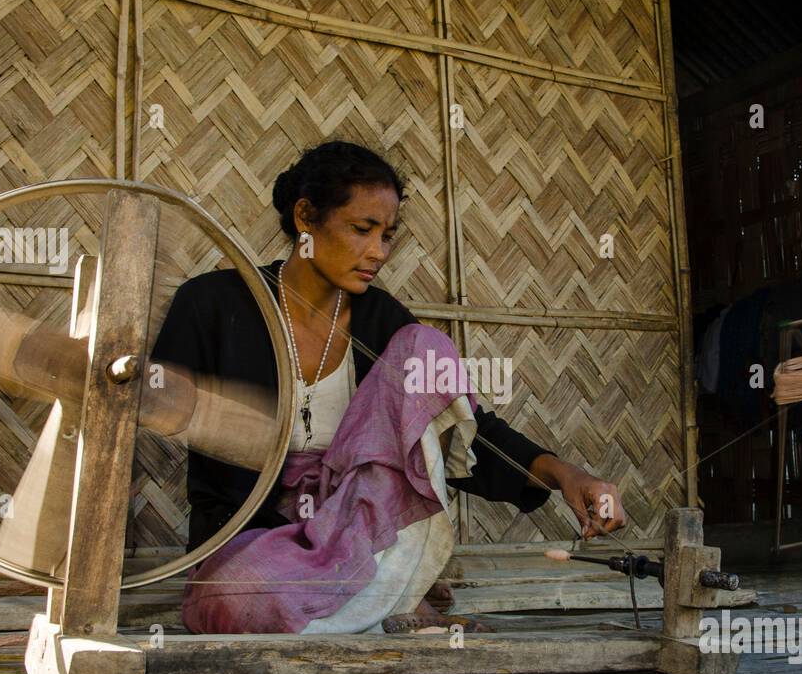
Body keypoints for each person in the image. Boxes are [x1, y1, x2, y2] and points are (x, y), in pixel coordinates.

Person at [151, 141, 627, 635]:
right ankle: (383, 603)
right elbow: (162, 404)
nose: (378, 251)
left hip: (361, 538)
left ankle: (378, 593)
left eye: (388, 235)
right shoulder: (213, 303)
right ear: (305, 218)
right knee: (236, 600)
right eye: (362, 229)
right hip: (251, 543)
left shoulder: (384, 323)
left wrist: (568, 475)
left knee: (424, 345)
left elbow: (462, 430)